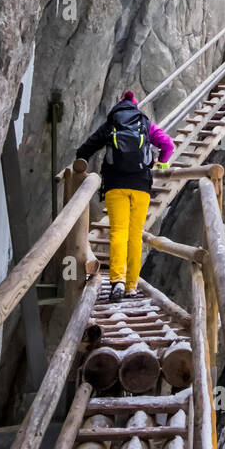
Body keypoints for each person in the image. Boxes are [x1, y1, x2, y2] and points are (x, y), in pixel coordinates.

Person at [76, 90, 175, 299]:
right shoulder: (145, 124)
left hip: (115, 184)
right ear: (135, 105)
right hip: (141, 185)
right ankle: (131, 285)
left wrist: (80, 163)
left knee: (118, 232)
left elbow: (87, 147)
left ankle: (117, 281)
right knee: (135, 235)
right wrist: (163, 162)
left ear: (119, 105)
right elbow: (167, 144)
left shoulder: (112, 124)